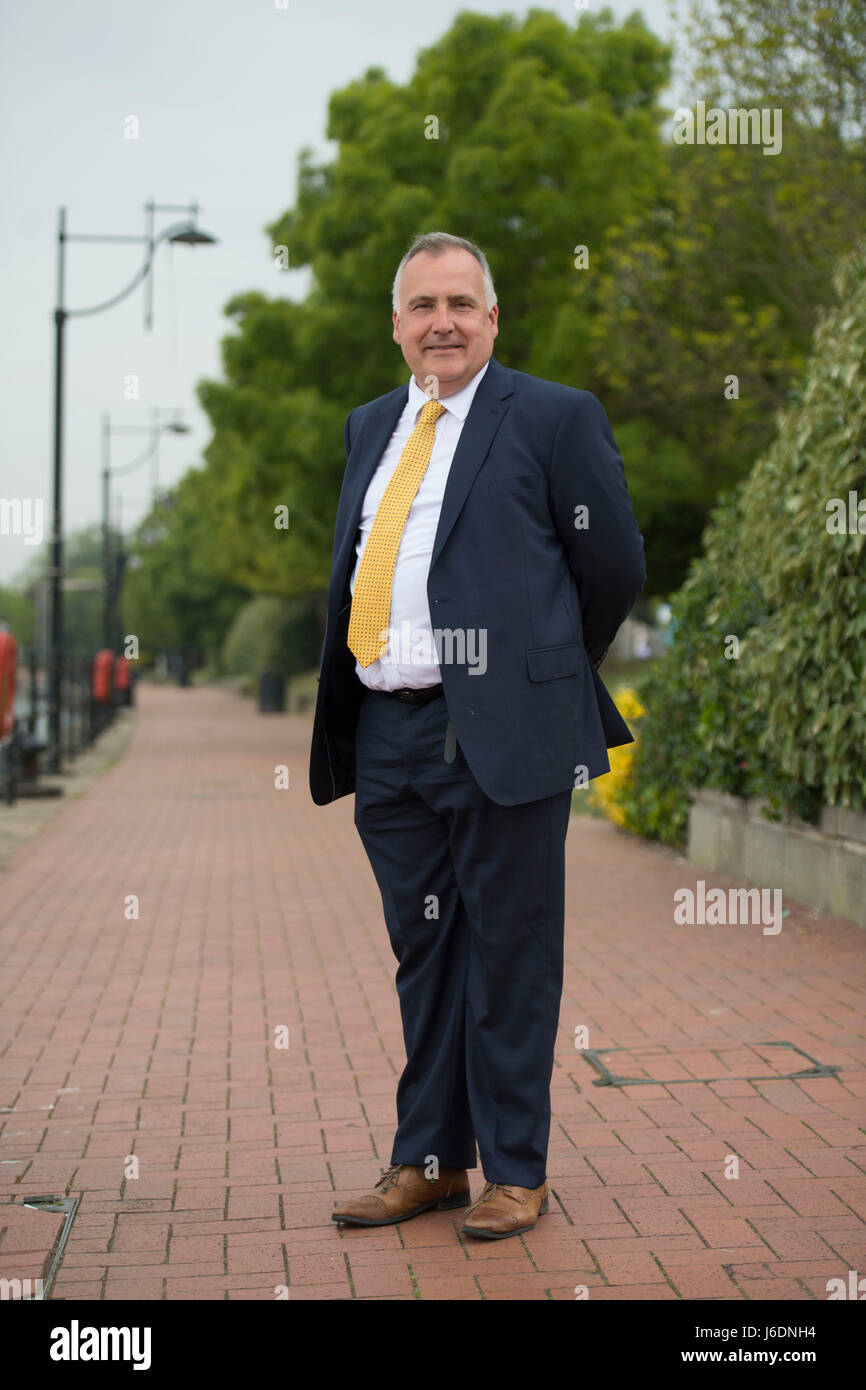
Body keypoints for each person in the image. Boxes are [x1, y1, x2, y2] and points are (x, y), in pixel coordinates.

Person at [309, 232, 645, 1240]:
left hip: (499, 733)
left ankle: (513, 1169)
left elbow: (613, 564)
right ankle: (427, 1159)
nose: (441, 321)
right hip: (387, 732)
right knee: (424, 951)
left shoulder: (549, 417)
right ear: (398, 326)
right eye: (422, 306)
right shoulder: (370, 426)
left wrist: (538, 675)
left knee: (510, 951)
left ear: (492, 319)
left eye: (461, 302)